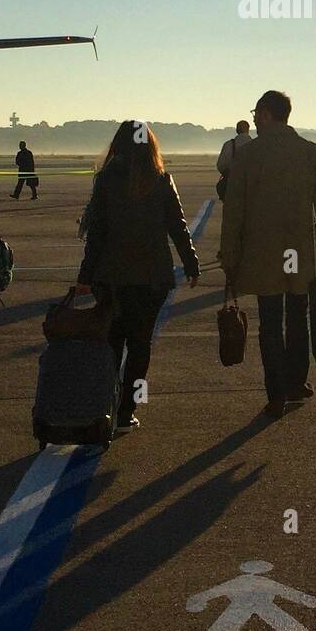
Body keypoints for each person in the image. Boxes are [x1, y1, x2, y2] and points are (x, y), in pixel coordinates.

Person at [219, 90, 316, 420]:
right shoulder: (311, 152)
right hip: (299, 253)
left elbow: (234, 211)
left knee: (270, 322)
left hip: (263, 254)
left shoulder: (247, 156)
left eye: (257, 114)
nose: (255, 120)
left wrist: (228, 255)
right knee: (298, 316)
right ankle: (296, 381)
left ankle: (276, 394)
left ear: (267, 114)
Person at [74, 121, 200, 432]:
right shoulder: (161, 180)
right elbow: (178, 226)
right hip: (152, 277)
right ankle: (127, 411)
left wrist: (85, 276)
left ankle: (103, 406)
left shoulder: (105, 181)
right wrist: (191, 263)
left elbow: (97, 234)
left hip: (112, 277)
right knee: (141, 345)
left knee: (111, 342)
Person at [214, 119, 253, 201]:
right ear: (248, 130)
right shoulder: (257, 145)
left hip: (231, 187)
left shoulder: (228, 145)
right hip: (251, 187)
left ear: (236, 130)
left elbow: (220, 165)